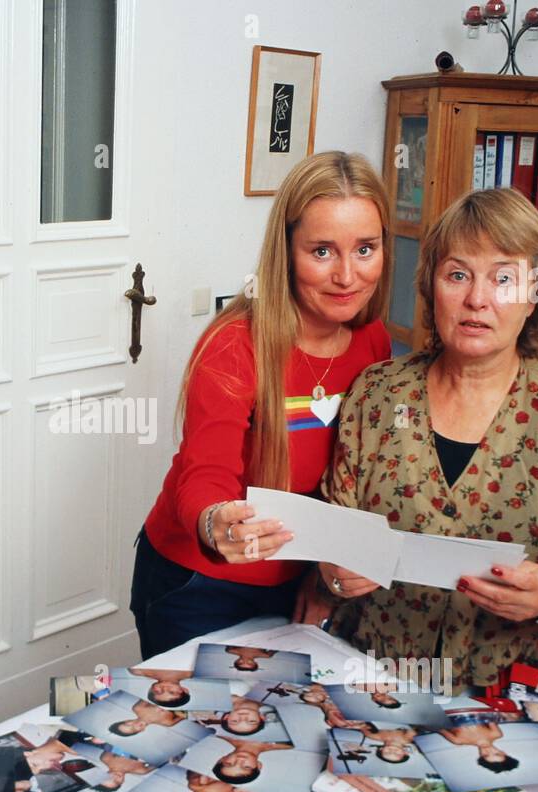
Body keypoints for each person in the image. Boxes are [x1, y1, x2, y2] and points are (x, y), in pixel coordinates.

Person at [315, 187, 538, 688]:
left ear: (534, 295)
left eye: (503, 278)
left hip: (517, 685)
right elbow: (335, 544)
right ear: (431, 288)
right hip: (377, 677)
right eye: (457, 275)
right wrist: (335, 572)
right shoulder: (376, 394)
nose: (477, 299)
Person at [131, 151, 395, 658]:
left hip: (299, 582)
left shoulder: (374, 342)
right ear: (286, 251)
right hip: (199, 584)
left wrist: (325, 578)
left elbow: (355, 478)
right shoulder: (235, 344)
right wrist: (217, 521)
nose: (347, 275)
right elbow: (204, 474)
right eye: (321, 251)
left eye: (365, 249)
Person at [439, 721, 518, 773]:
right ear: (503, 752)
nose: (488, 751)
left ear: (480, 756)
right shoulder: (496, 734)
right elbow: (488, 715)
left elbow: (437, 726)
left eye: (485, 755)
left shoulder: (458, 741)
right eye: (496, 754)